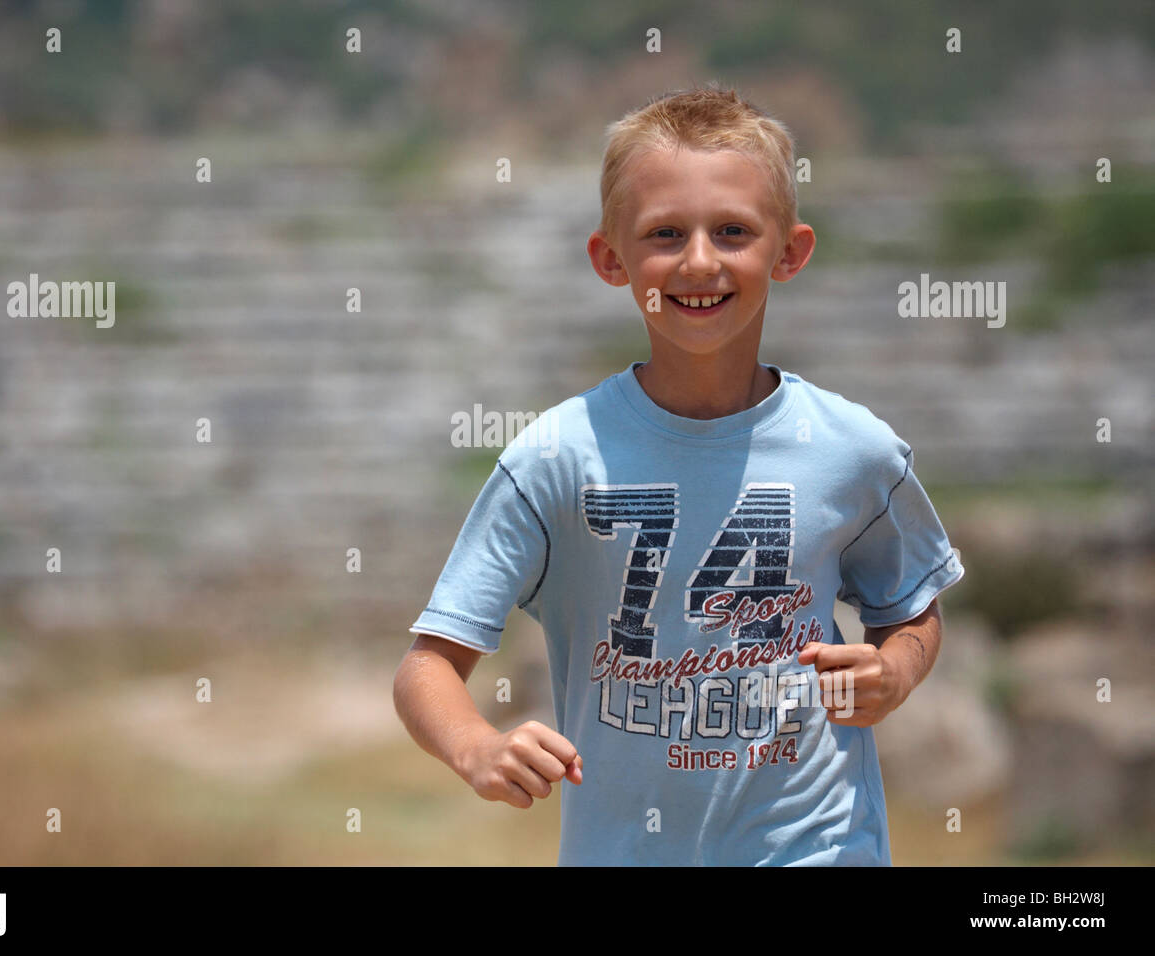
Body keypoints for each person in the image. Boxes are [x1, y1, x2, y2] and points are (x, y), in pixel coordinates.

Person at [392, 84, 964, 865]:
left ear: (790, 251)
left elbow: (912, 609)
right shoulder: (556, 458)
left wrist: (894, 672)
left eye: (733, 230)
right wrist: (476, 749)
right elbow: (429, 666)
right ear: (610, 259)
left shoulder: (853, 448)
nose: (699, 261)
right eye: (665, 234)